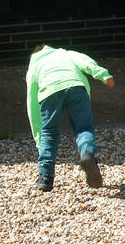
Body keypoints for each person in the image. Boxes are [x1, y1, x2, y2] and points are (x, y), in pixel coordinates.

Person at [25, 44, 114, 191]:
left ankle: (45, 178)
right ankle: (87, 154)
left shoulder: (34, 67)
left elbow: (32, 104)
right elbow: (86, 62)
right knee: (83, 128)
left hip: (49, 92)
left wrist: (38, 138)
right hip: (76, 87)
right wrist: (104, 75)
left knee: (49, 133)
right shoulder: (65, 54)